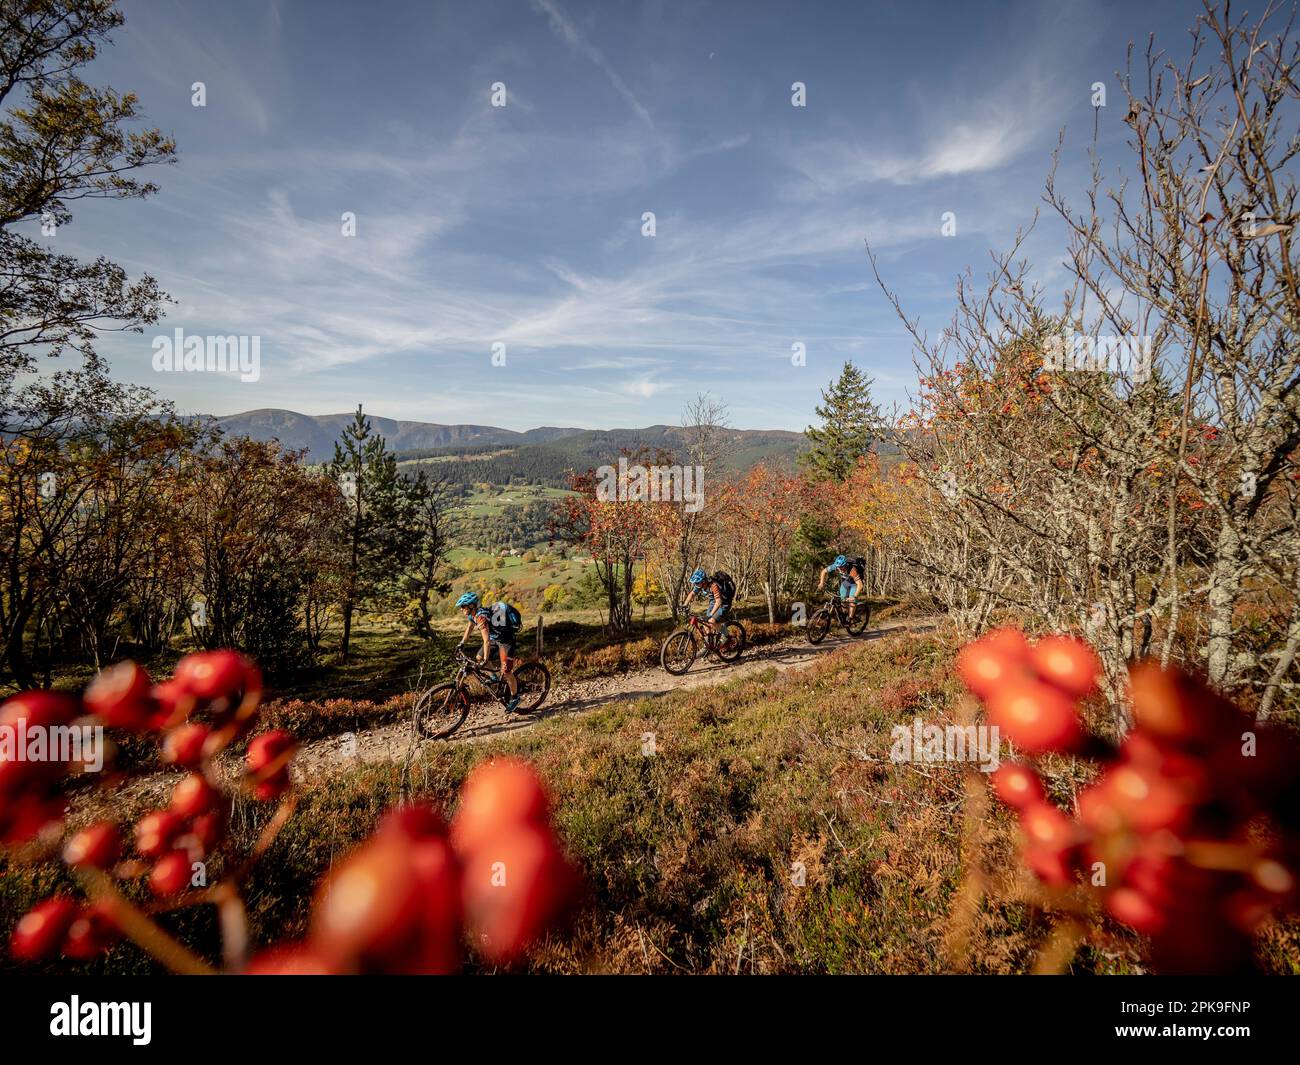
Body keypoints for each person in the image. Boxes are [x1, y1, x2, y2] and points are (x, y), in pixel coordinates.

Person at [455, 591, 521, 711]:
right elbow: (470, 628)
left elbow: (486, 641)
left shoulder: (481, 617)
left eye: (463, 606)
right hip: (495, 638)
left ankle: (515, 698)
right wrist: (462, 643)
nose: (461, 609)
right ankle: (495, 678)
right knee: (478, 658)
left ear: (471, 606)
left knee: (506, 671)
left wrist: (486, 659)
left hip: (506, 640)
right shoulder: (472, 615)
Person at [680, 567, 736, 647]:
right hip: (713, 603)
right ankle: (708, 645)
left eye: (697, 583)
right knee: (705, 622)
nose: (696, 585)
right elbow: (692, 593)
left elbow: (719, 602)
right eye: (695, 583)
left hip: (724, 603)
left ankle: (726, 636)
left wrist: (710, 615)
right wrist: (684, 605)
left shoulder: (713, 586)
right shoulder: (700, 585)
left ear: (703, 581)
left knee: (712, 620)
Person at [817, 554, 863, 620]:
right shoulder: (836, 566)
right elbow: (824, 571)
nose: (839, 569)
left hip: (854, 584)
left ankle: (850, 618)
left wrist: (854, 596)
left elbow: (860, 585)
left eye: (841, 567)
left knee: (852, 602)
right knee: (843, 600)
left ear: (845, 565)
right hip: (846, 582)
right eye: (838, 567)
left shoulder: (852, 570)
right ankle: (845, 615)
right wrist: (821, 582)